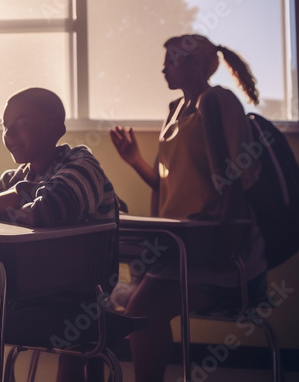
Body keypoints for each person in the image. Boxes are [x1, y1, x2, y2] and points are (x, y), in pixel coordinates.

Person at [0, 87, 119, 382]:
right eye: (5, 126)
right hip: (15, 300)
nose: (9, 134)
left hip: (73, 308)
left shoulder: (83, 164)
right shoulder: (14, 177)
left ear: (56, 128)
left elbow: (50, 206)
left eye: (22, 123)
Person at [109, 34, 266, 382]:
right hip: (183, 248)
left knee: (142, 308)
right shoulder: (174, 111)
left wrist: (226, 241)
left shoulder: (218, 101)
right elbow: (168, 187)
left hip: (220, 249)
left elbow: (240, 176)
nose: (163, 68)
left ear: (195, 65)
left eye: (171, 60)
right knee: (133, 306)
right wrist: (134, 160)